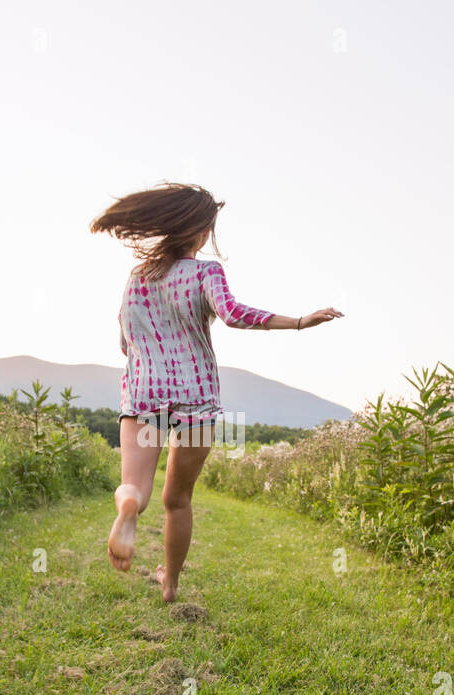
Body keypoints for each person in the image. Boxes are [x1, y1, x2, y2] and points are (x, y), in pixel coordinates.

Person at [90, 182, 342, 602]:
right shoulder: (206, 272)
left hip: (143, 397)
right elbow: (234, 314)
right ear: (201, 232)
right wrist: (298, 321)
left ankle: (129, 509)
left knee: (136, 486)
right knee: (178, 499)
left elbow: (124, 340)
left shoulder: (136, 279)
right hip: (195, 398)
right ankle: (169, 584)